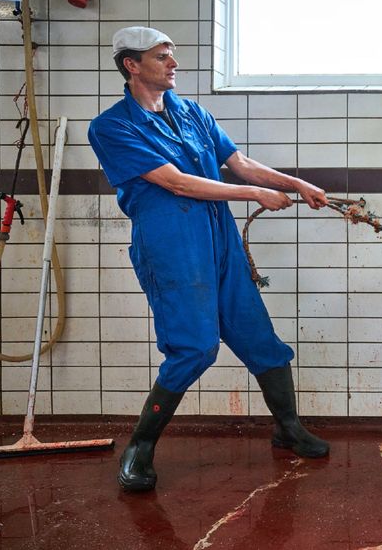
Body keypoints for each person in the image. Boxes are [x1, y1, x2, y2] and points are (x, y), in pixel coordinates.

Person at [88, 26, 330, 492]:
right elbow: (176, 181)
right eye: (162, 57)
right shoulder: (112, 127)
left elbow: (238, 162)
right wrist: (254, 193)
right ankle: (140, 447)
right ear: (131, 65)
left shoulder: (192, 113)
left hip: (219, 241)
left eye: (172, 55)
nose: (173, 63)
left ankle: (288, 427)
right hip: (173, 246)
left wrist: (293, 183)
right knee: (196, 347)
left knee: (260, 339)